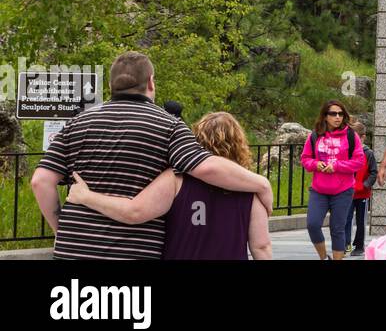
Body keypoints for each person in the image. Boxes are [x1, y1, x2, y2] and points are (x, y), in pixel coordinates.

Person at [31, 51, 273, 260]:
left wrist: (61, 229)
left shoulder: (77, 123)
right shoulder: (168, 126)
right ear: (151, 82)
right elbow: (205, 167)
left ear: (111, 85)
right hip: (133, 249)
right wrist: (261, 183)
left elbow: (40, 181)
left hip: (73, 247)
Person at [65, 110, 272, 260]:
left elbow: (133, 212)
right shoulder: (251, 190)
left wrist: (86, 196)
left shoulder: (175, 180)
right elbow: (261, 247)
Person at [301, 99, 366, 260]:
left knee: (337, 228)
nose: (337, 117)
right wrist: (316, 164)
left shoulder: (351, 136)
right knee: (313, 225)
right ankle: (324, 257)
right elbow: (305, 159)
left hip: (343, 191)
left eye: (340, 114)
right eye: (333, 114)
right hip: (319, 190)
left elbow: (358, 162)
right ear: (325, 116)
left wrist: (336, 166)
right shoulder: (315, 136)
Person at [345, 120, 378, 257]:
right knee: (345, 220)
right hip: (346, 193)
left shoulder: (368, 153)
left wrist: (364, 185)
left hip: (362, 194)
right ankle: (345, 244)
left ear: (363, 137)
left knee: (360, 221)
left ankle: (359, 246)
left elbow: (373, 172)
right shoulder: (345, 152)